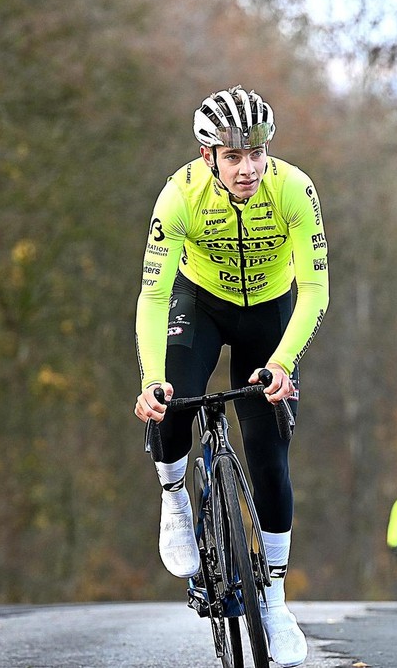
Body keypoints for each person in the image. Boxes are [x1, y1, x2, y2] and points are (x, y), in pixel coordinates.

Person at [133, 85, 329, 667]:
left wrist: (283, 362)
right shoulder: (179, 197)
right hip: (200, 303)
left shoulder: (294, 190)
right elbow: (153, 296)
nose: (247, 169)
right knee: (171, 402)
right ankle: (175, 495)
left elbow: (314, 290)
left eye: (256, 154)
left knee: (268, 451)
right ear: (208, 156)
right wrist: (150, 379)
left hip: (269, 312)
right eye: (233, 156)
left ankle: (275, 602)